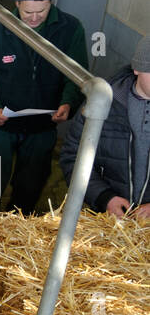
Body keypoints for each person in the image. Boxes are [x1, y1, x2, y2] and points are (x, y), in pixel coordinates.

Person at [0, 0, 87, 214]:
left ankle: (16, 223)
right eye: (27, 12)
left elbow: (77, 76)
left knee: (31, 184)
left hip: (42, 125)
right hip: (1, 124)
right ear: (17, 3)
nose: (34, 18)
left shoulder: (70, 30)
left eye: (41, 11)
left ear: (50, 2)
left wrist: (68, 103)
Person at [60, 34, 150, 216]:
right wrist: (105, 197)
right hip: (105, 222)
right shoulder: (102, 104)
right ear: (137, 69)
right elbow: (73, 156)